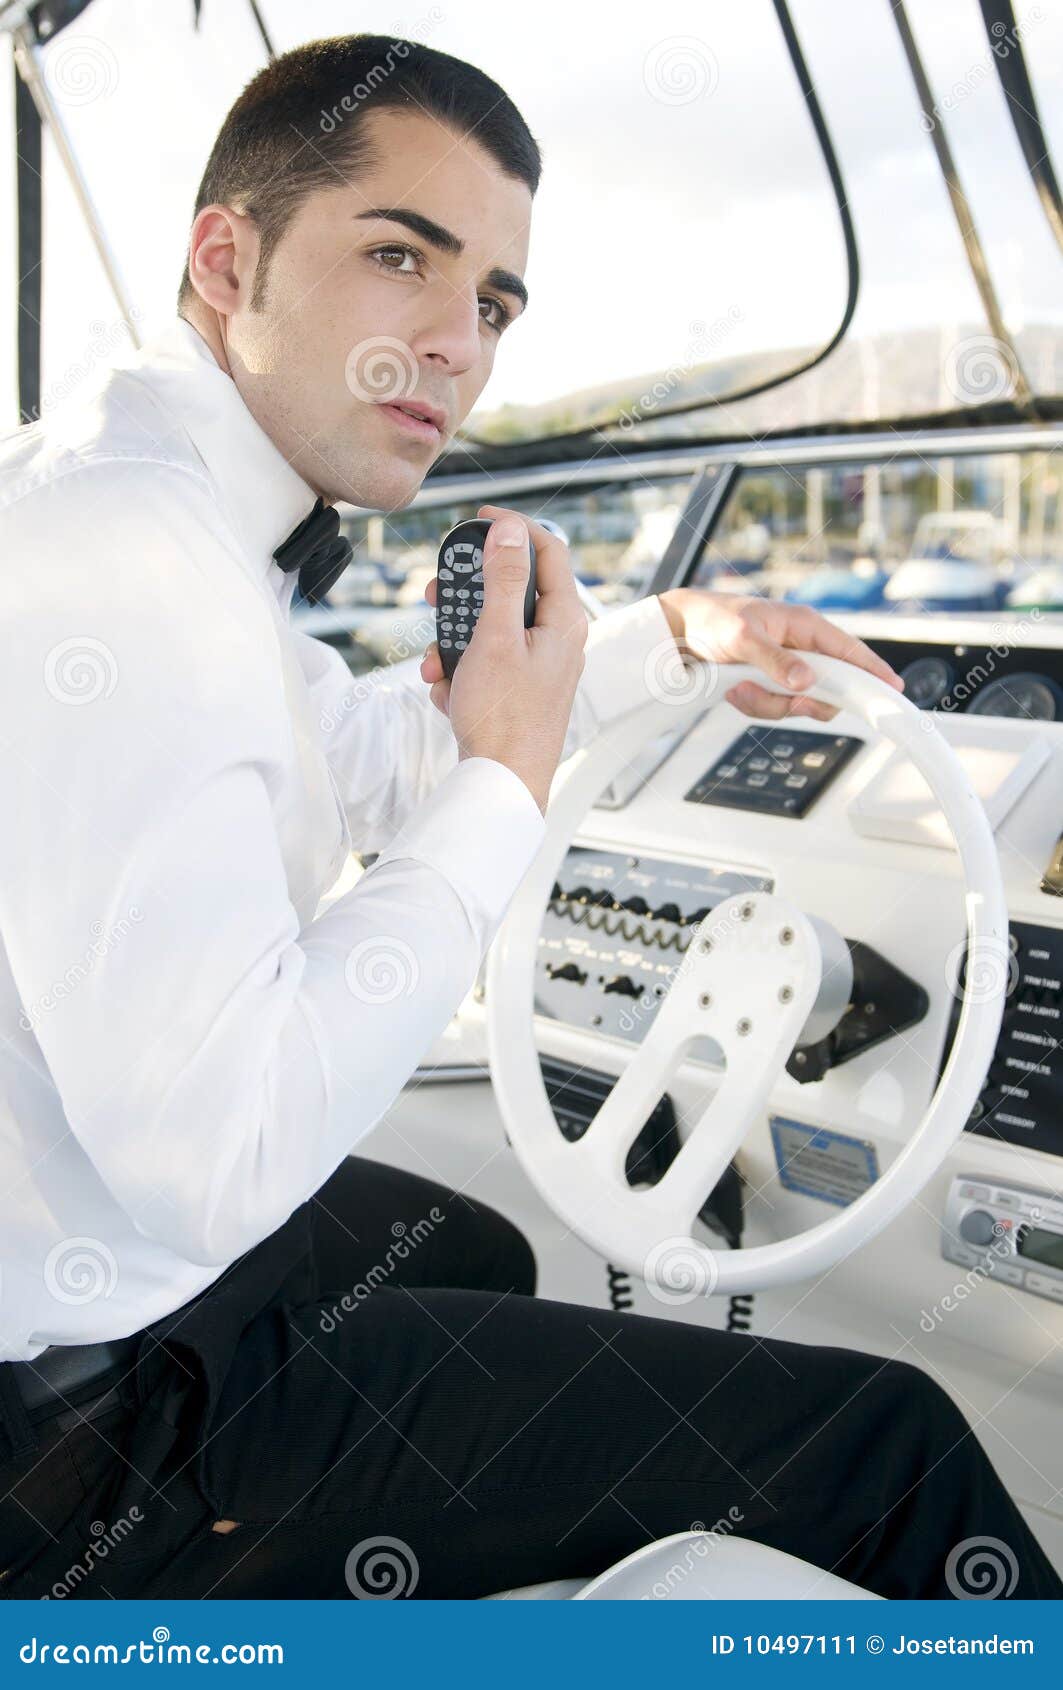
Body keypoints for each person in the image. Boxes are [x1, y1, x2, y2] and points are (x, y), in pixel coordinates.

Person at [0, 33, 1057, 1602]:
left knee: (476, 1251)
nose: (454, 344)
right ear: (228, 261)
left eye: (493, 302)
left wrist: (653, 646)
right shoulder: (128, 570)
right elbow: (220, 1161)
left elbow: (337, 758)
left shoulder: (152, 494)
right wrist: (502, 781)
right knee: (884, 1444)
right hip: (89, 1447)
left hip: (104, 1282)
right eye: (399, 257)